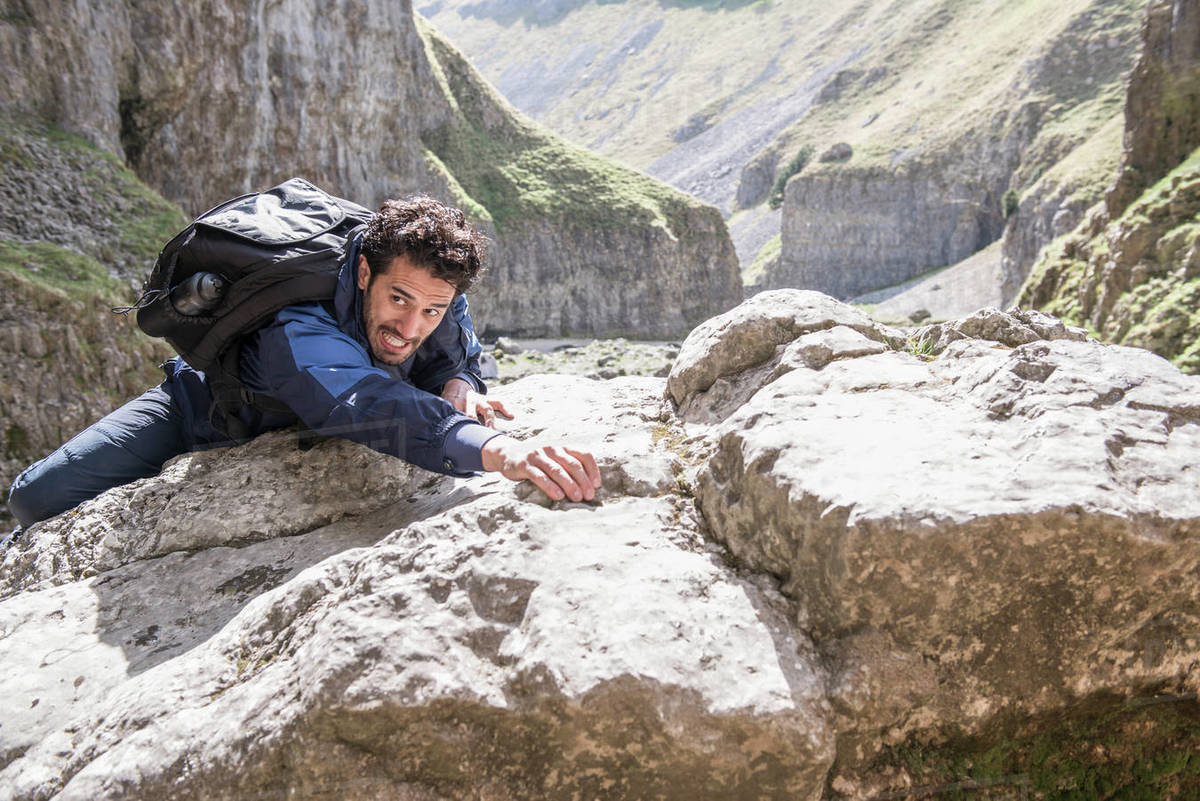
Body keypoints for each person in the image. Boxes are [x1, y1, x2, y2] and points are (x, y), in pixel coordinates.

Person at [6, 195, 601, 530]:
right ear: (365, 273)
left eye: (432, 309)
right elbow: (357, 399)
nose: (412, 326)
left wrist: (459, 382)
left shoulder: (437, 294)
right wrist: (499, 452)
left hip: (274, 415)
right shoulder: (296, 321)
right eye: (398, 300)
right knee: (34, 497)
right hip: (198, 410)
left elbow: (454, 351)